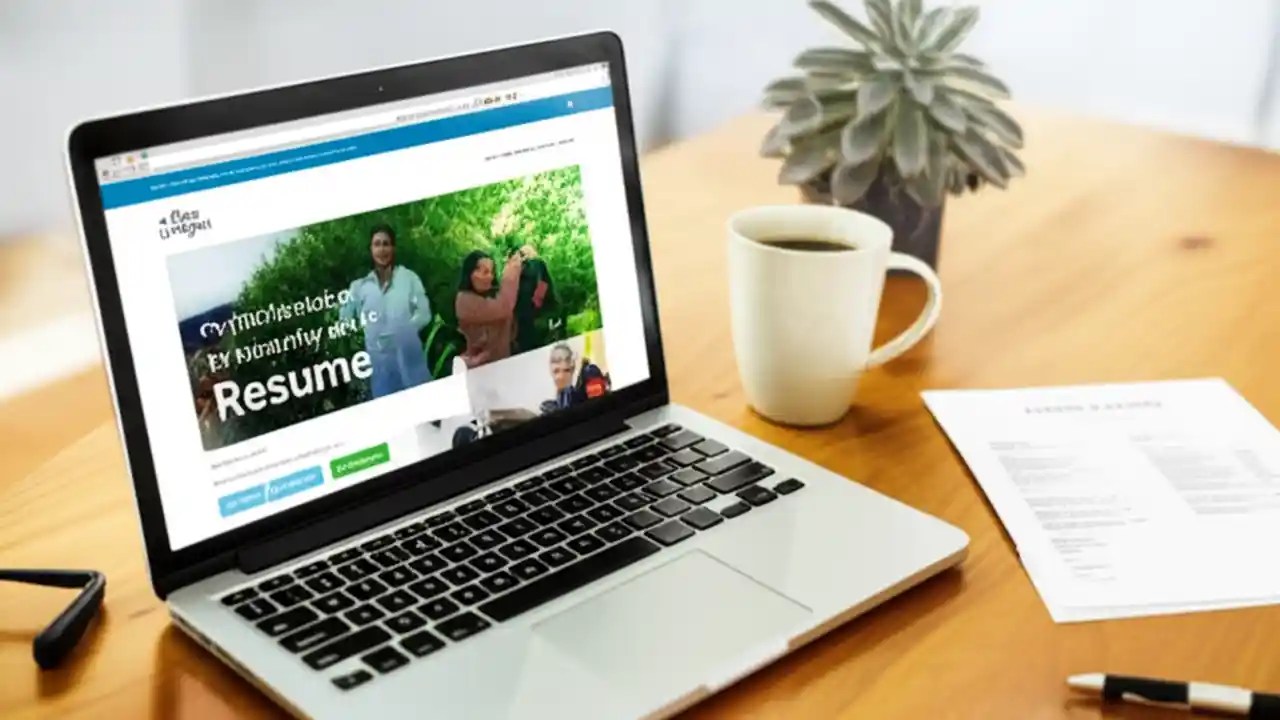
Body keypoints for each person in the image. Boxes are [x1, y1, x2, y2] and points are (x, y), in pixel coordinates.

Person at [340, 223, 433, 398]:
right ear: (370, 249)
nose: (382, 249)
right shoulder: (358, 287)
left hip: (413, 369)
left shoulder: (409, 278)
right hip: (381, 376)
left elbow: (424, 313)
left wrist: (402, 332)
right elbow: (344, 323)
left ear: (393, 247)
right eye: (377, 244)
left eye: (386, 243)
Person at [455, 249, 521, 368]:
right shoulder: (464, 301)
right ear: (470, 274)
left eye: (492, 272)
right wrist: (512, 271)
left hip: (501, 366)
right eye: (485, 272)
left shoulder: (491, 295)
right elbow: (504, 307)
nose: (490, 277)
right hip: (479, 370)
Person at [513, 244, 560, 353]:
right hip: (536, 319)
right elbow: (545, 287)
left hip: (522, 322)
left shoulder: (518, 269)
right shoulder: (539, 266)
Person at [539, 343, 578, 414]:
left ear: (572, 369)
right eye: (556, 371)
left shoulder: (580, 397)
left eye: (566, 370)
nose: (561, 377)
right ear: (551, 371)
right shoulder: (548, 407)